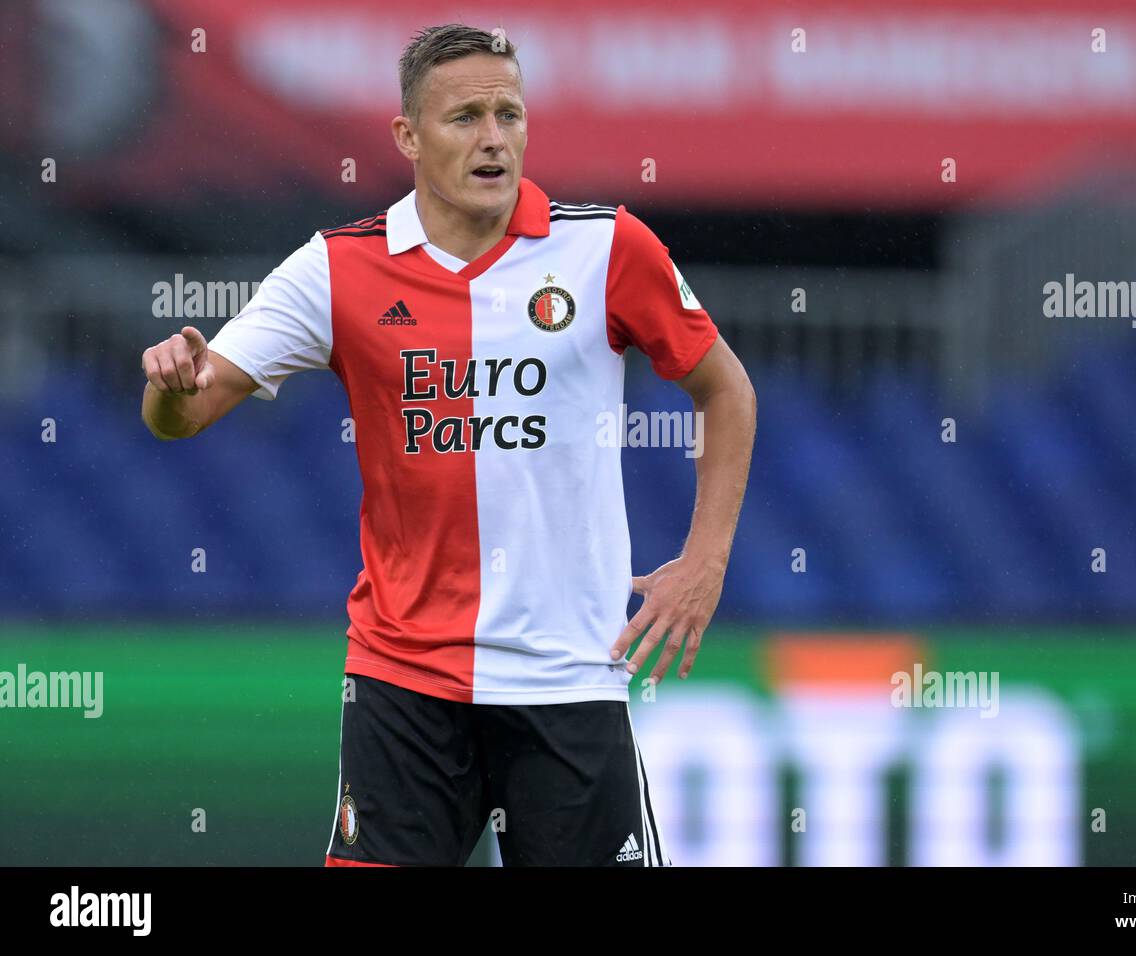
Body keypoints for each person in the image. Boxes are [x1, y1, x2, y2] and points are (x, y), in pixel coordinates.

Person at [140, 22, 756, 866]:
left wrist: (705, 561)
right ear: (408, 136)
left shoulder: (605, 247)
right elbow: (185, 413)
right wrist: (168, 385)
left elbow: (726, 390)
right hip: (406, 681)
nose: (495, 137)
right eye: (466, 117)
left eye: (510, 113)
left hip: (567, 681)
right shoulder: (337, 268)